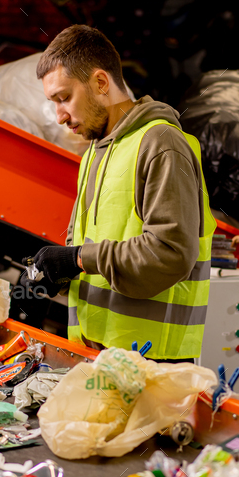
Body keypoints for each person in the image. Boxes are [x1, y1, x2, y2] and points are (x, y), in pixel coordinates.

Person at [20, 25, 215, 361]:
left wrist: (77, 258)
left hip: (149, 364)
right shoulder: (94, 153)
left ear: (100, 83)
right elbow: (86, 250)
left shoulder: (161, 143)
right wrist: (55, 277)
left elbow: (170, 253)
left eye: (65, 98)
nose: (60, 116)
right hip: (97, 355)